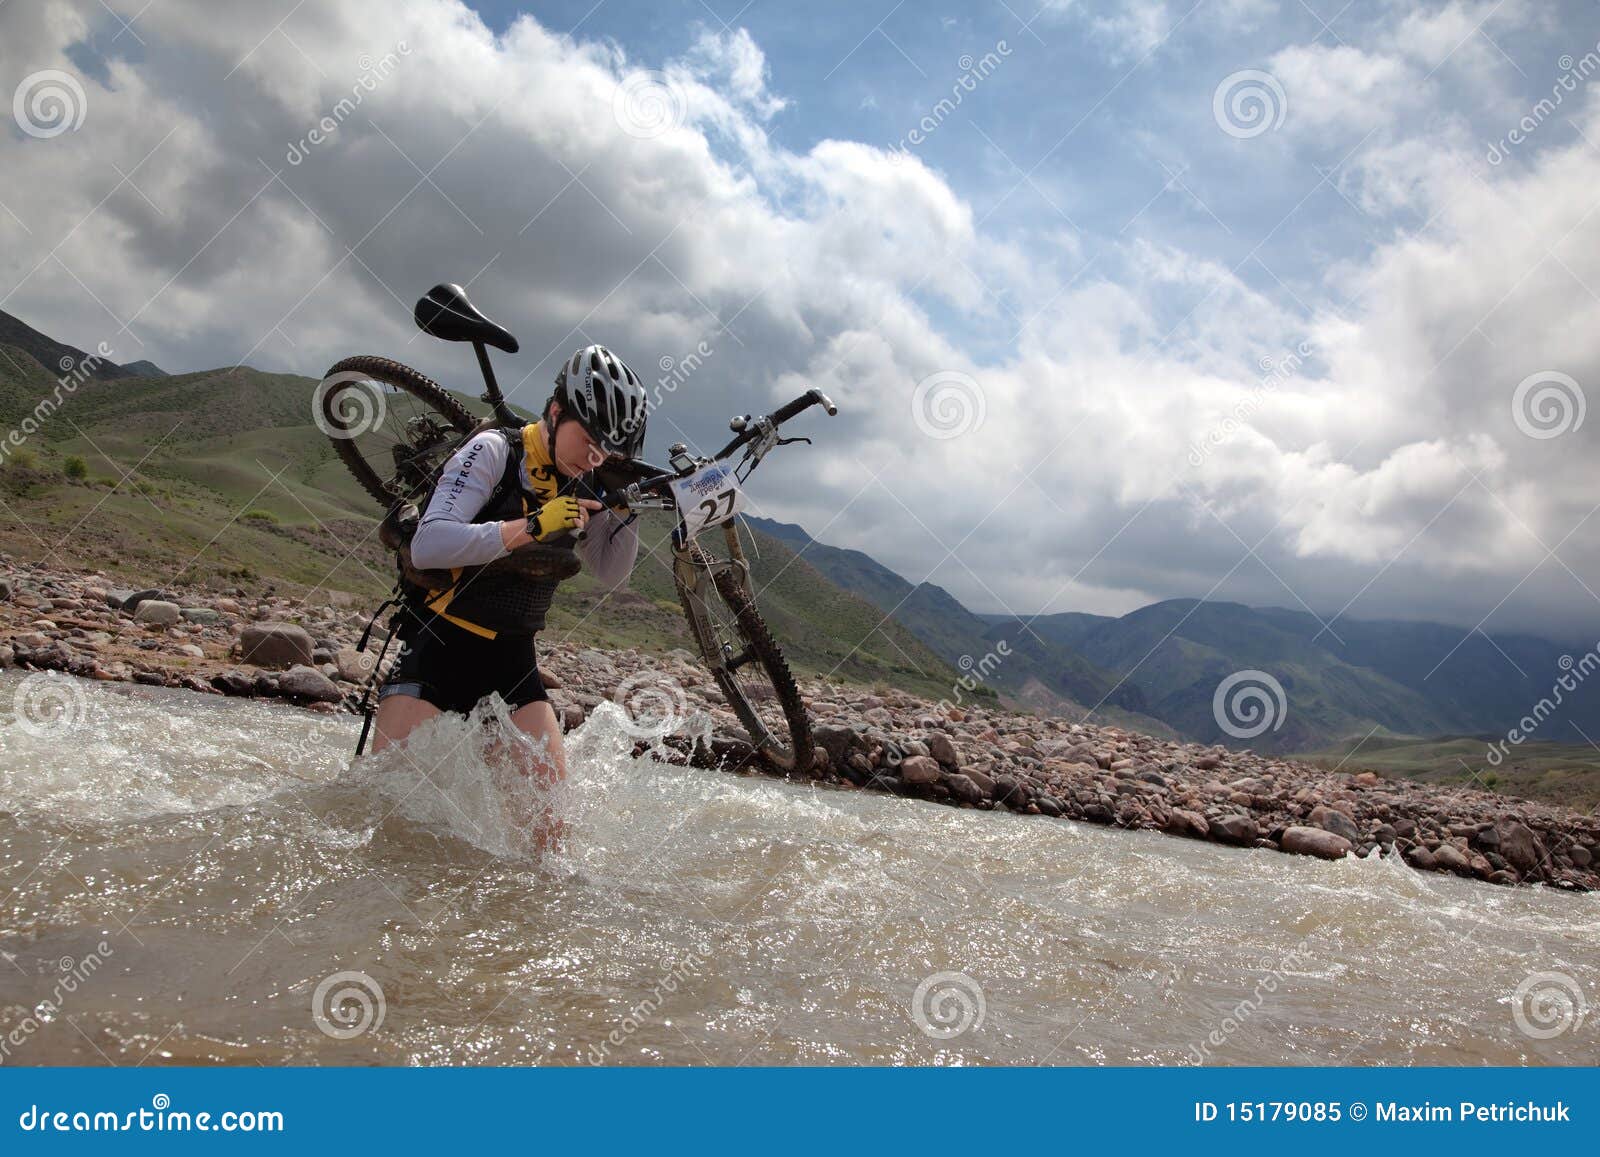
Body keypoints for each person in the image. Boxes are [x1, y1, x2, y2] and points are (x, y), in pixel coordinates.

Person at [370, 344, 647, 832]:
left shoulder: (588, 478)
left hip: (513, 659)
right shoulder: (495, 450)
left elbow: (612, 574)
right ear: (557, 412)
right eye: (589, 438)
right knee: (387, 822)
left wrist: (627, 506)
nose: (595, 455)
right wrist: (533, 527)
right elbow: (429, 545)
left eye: (607, 449)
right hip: (438, 645)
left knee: (550, 835)